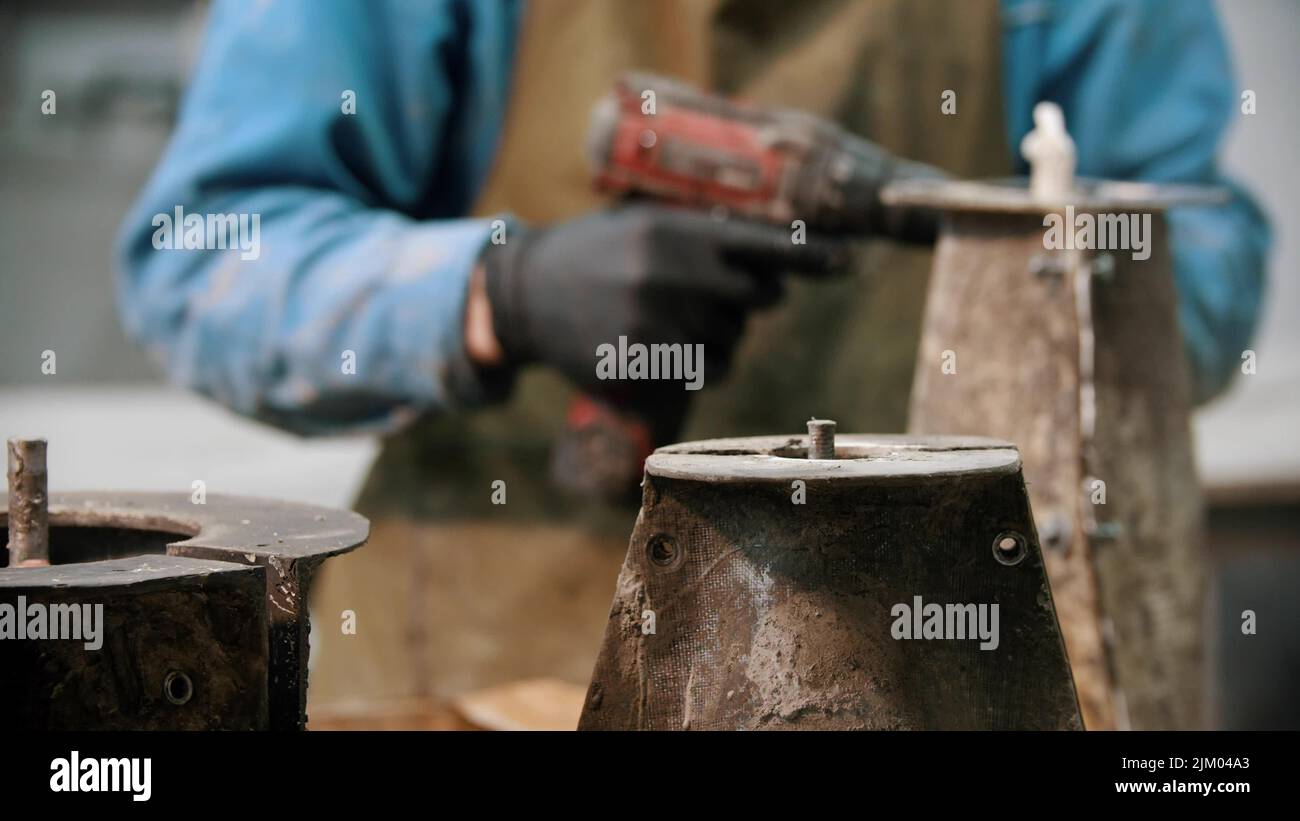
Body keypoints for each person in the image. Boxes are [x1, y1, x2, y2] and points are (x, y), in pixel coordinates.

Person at [116, 0, 1269, 721]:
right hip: (484, 672)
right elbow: (196, 258)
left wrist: (1063, 285)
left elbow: (1199, 240)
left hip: (940, 659)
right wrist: (498, 291)